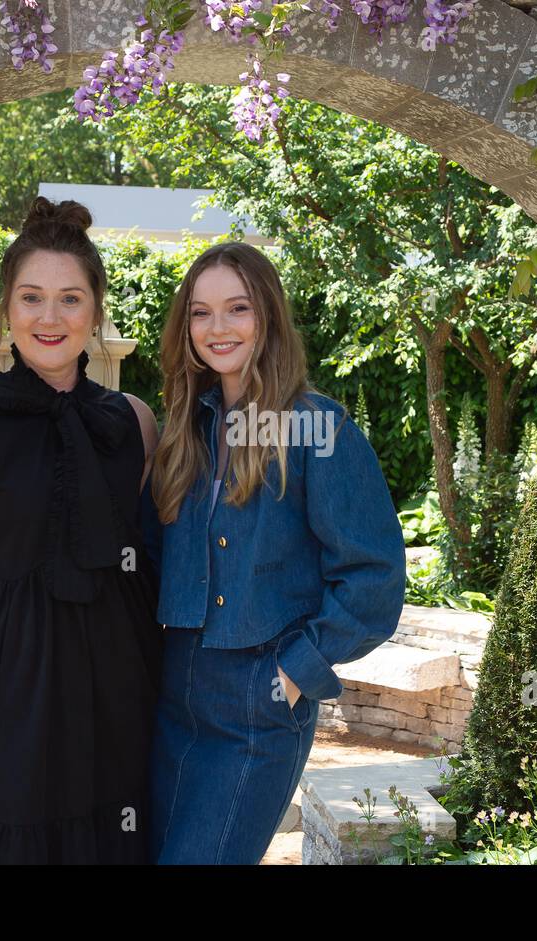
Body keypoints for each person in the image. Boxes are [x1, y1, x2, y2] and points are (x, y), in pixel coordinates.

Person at [0, 197, 162, 864]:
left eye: (71, 298)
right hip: (2, 712)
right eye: (32, 296)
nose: (50, 317)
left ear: (96, 311)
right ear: (7, 309)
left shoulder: (133, 422)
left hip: (114, 708)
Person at [146, 241, 407, 864]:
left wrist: (291, 676)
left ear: (267, 316)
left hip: (256, 710)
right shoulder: (185, 430)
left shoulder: (319, 429)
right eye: (201, 313)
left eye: (237, 308)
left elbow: (373, 578)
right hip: (170, 700)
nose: (218, 328)